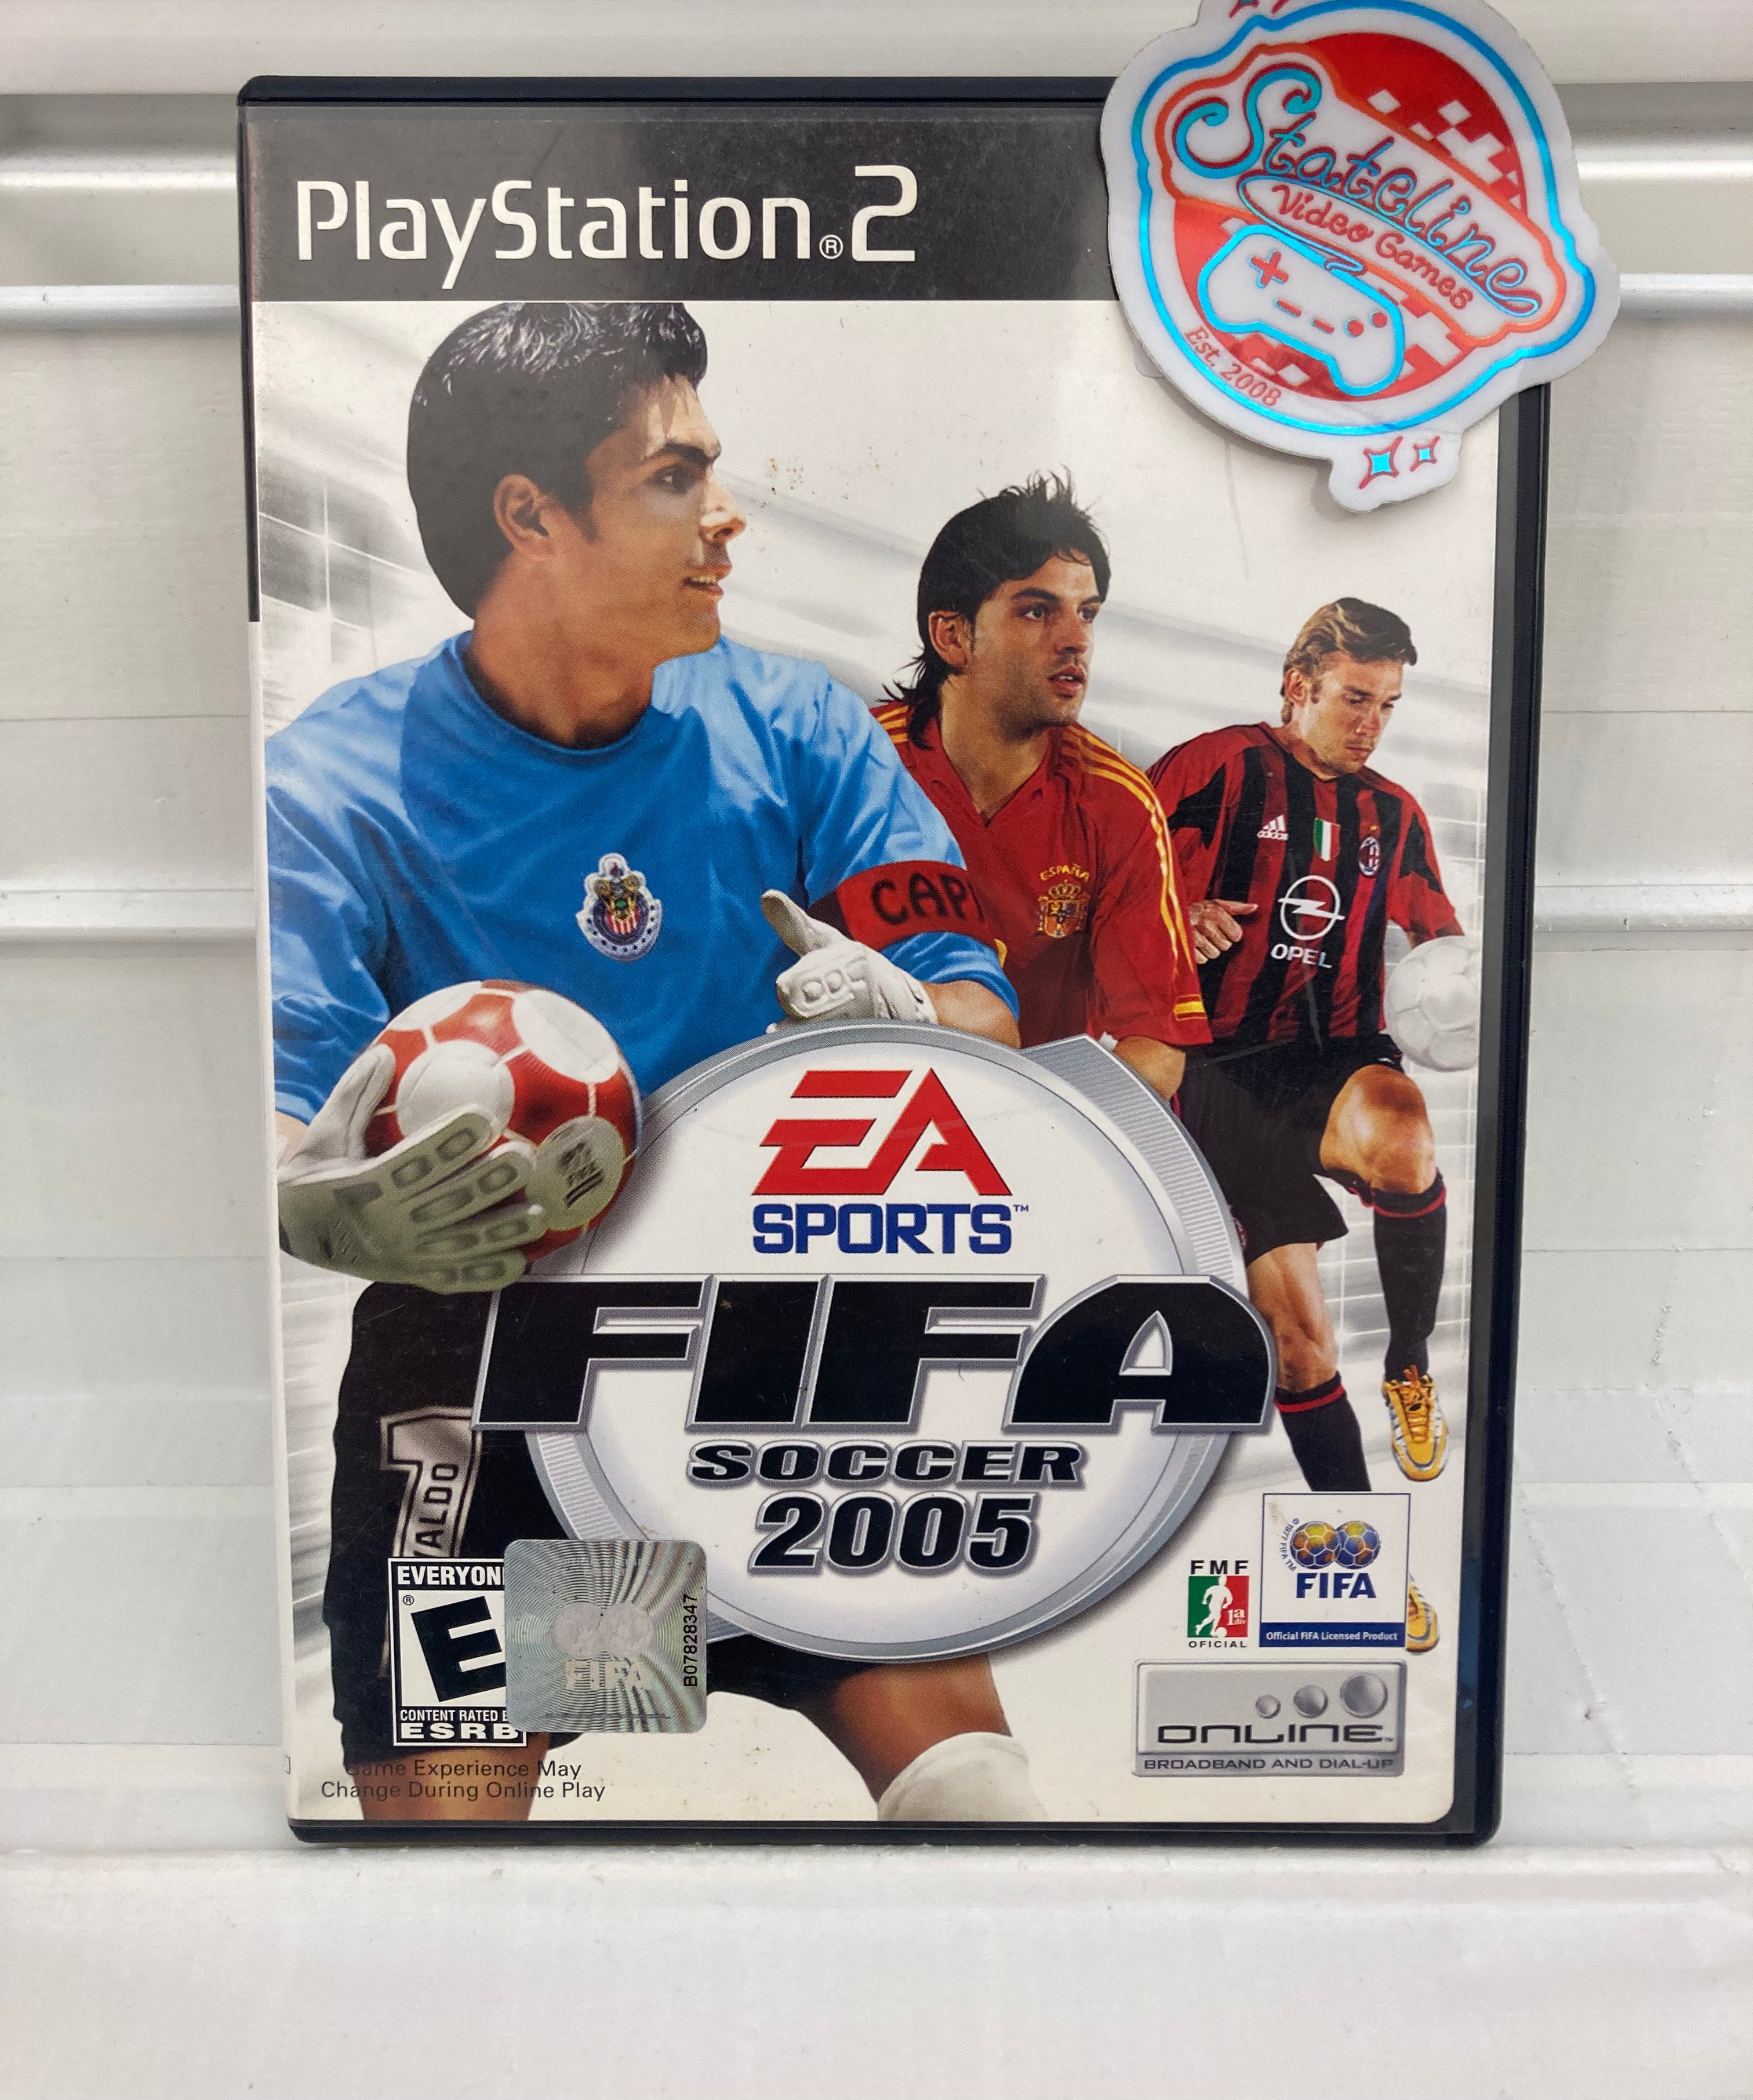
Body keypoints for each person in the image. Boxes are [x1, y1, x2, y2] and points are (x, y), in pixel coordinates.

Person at [268, 299, 1043, 1822]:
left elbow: (984, 1010)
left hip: (766, 1356)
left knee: (976, 1801)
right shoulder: (335, 783)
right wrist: (310, 1202)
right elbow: (276, 1112)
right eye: (676, 477)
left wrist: (911, 1017)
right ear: (530, 517)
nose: (728, 514)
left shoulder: (803, 728)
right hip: (483, 1382)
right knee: (443, 1880)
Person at [1150, 598, 1464, 1655]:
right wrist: (1180, 915)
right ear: (1297, 684)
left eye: (1387, 705)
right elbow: (1108, 886)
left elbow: (1442, 952)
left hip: (1331, 1060)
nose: (1370, 724)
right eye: (1353, 698)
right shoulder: (1211, 769)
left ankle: (1410, 1365)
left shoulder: (1395, 814)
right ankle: (1365, 1574)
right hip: (1215, 1080)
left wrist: (1465, 990)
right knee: (1296, 1343)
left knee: (1404, 1136)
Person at [874, 475, 1208, 1100]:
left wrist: (1042, 1126)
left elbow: (1157, 1046)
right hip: (850, 1100)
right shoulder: (853, 763)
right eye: (1037, 611)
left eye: (1088, 613)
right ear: (952, 636)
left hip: (1029, 1122)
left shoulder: (1118, 803)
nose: (1076, 639)